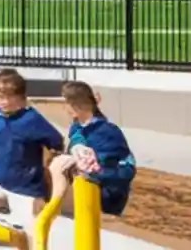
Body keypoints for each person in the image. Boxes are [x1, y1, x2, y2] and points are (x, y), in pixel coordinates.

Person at [0, 70, 62, 250]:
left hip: (25, 190)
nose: (2, 103)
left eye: (7, 98)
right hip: (1, 184)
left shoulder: (31, 119)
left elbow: (56, 141)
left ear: (21, 98)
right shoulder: (1, 116)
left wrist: (50, 172)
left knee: (30, 239)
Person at [48, 81, 135, 217]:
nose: (64, 108)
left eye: (66, 103)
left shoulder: (107, 132)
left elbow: (126, 169)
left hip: (106, 199)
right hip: (88, 194)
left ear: (77, 106)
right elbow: (77, 135)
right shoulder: (80, 128)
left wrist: (94, 174)